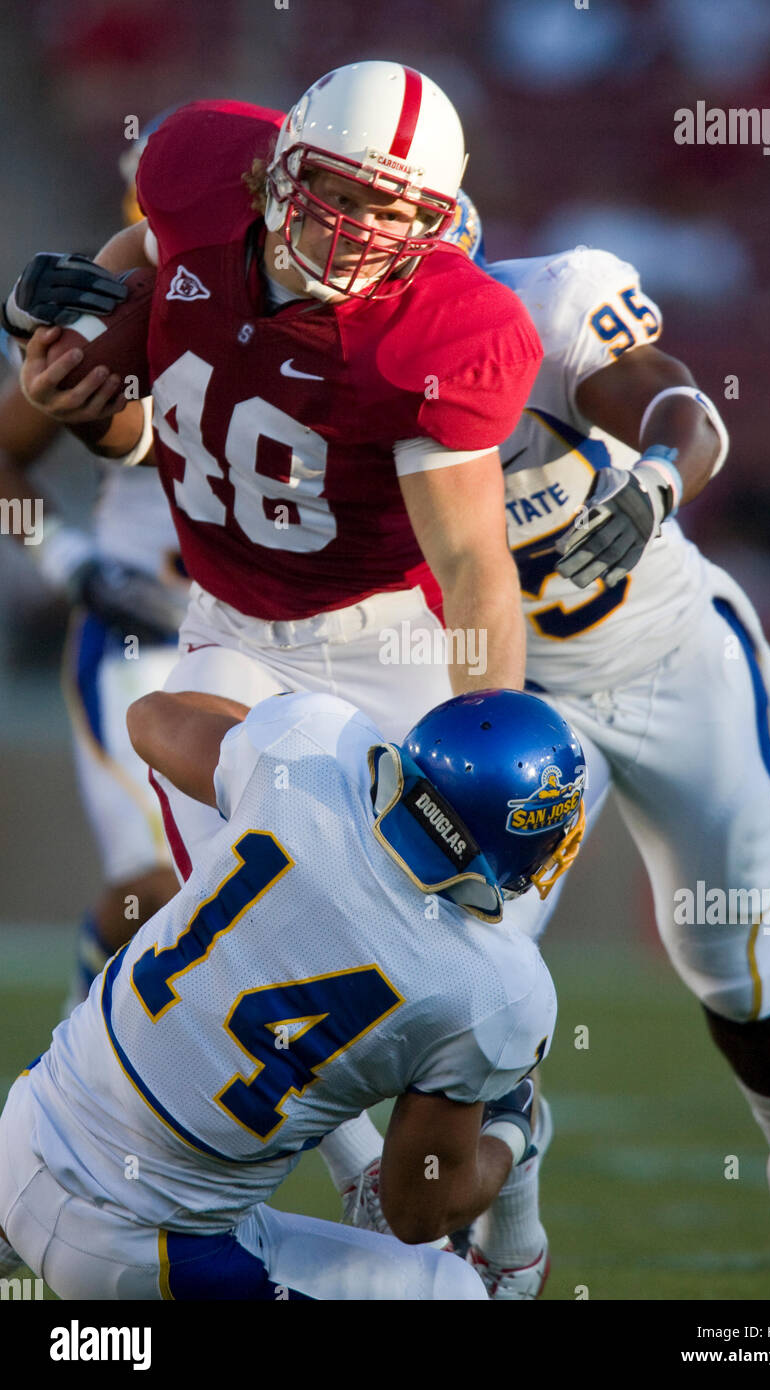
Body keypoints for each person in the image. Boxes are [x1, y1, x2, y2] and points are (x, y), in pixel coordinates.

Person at [4, 63, 546, 1239]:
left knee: (423, 940)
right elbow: (137, 371)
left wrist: (481, 733)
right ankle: (366, 1171)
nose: (358, 229)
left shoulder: (439, 332)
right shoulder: (196, 179)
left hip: (388, 643)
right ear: (273, 169)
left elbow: (471, 567)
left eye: (394, 208)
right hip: (231, 622)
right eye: (338, 192)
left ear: (438, 219)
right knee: (246, 923)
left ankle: (506, 1176)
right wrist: (78, 374)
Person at [435, 191, 770, 1301]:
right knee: (466, 966)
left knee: (732, 964)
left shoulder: (552, 303)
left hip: (675, 661)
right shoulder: (353, 373)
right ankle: (508, 1237)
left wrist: (658, 479)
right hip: (522, 692)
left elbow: (684, 407)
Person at [0, 686, 586, 1299]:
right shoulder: (496, 988)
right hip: (143, 1251)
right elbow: (417, 1213)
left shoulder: (306, 747)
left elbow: (148, 716)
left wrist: (257, 730)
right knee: (454, 1294)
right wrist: (515, 1133)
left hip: (29, 1128)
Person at [0, 115, 184, 1008]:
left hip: (279, 633)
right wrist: (66, 557)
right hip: (142, 628)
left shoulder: (304, 311)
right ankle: (83, 1053)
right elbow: (3, 451)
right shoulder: (122, 303)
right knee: (157, 888)